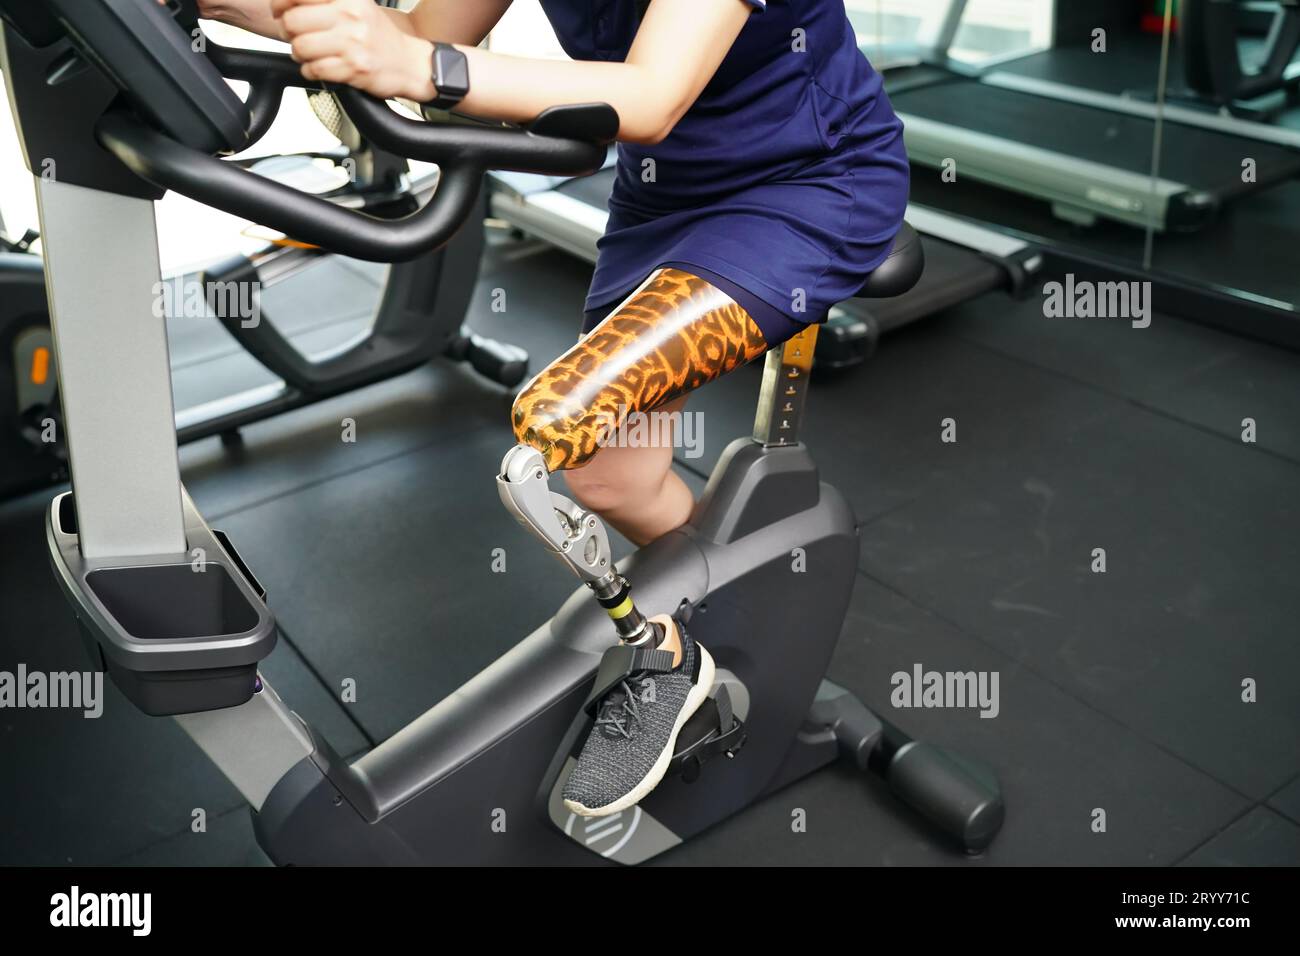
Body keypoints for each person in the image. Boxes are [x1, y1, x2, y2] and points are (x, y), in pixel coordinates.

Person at [199, 0, 909, 817]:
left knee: (558, 425)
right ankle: (733, 635)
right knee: (608, 482)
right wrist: (270, 11)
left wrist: (424, 69)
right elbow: (425, 36)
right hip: (664, 196)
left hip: (808, 186)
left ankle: (663, 654)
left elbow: (648, 98)